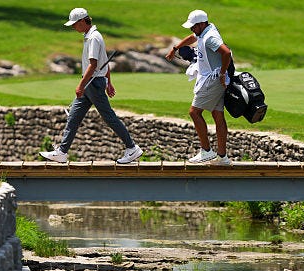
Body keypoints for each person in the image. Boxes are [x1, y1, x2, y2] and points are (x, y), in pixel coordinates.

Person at [40, 8, 143, 165]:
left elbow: (94, 64)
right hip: (93, 82)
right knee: (73, 117)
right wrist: (109, 82)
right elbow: (104, 62)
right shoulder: (90, 36)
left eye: (75, 24)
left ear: (82, 21)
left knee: (109, 117)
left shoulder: (94, 37)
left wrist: (81, 85)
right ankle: (62, 152)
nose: (74, 27)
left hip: (92, 83)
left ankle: (132, 148)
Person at [166, 9, 232, 165]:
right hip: (214, 79)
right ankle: (222, 157)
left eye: (193, 26)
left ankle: (206, 151)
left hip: (213, 80)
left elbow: (226, 53)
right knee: (217, 116)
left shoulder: (210, 37)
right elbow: (192, 37)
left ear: (202, 24)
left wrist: (222, 74)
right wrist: (175, 49)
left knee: (194, 112)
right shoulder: (203, 31)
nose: (192, 29)